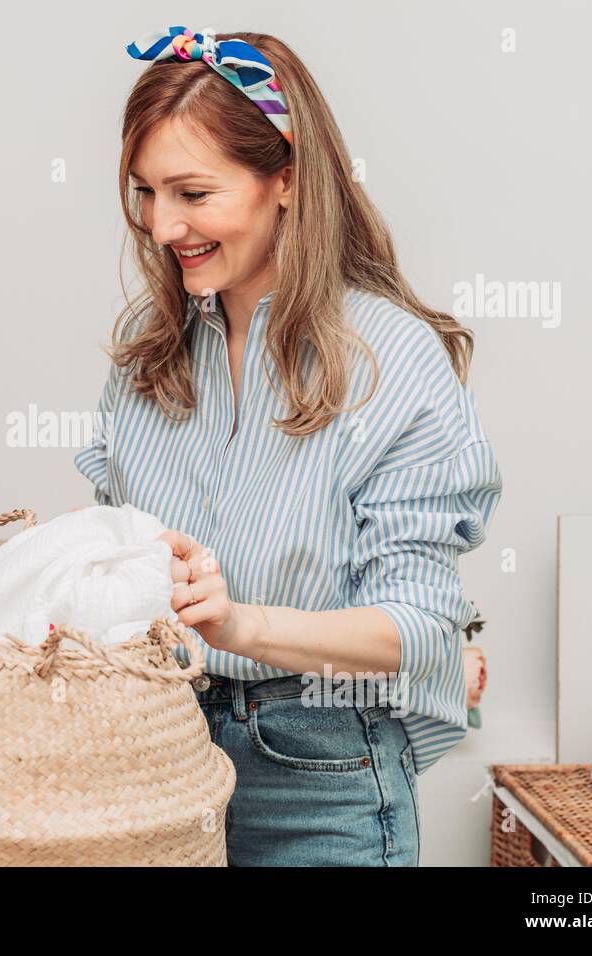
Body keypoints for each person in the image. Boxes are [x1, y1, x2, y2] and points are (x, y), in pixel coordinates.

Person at [75, 27, 503, 865]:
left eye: (193, 193)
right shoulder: (150, 349)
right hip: (154, 745)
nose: (164, 226)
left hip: (320, 765)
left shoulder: (390, 357)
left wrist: (240, 624)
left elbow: (420, 629)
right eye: (147, 193)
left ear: (287, 180)